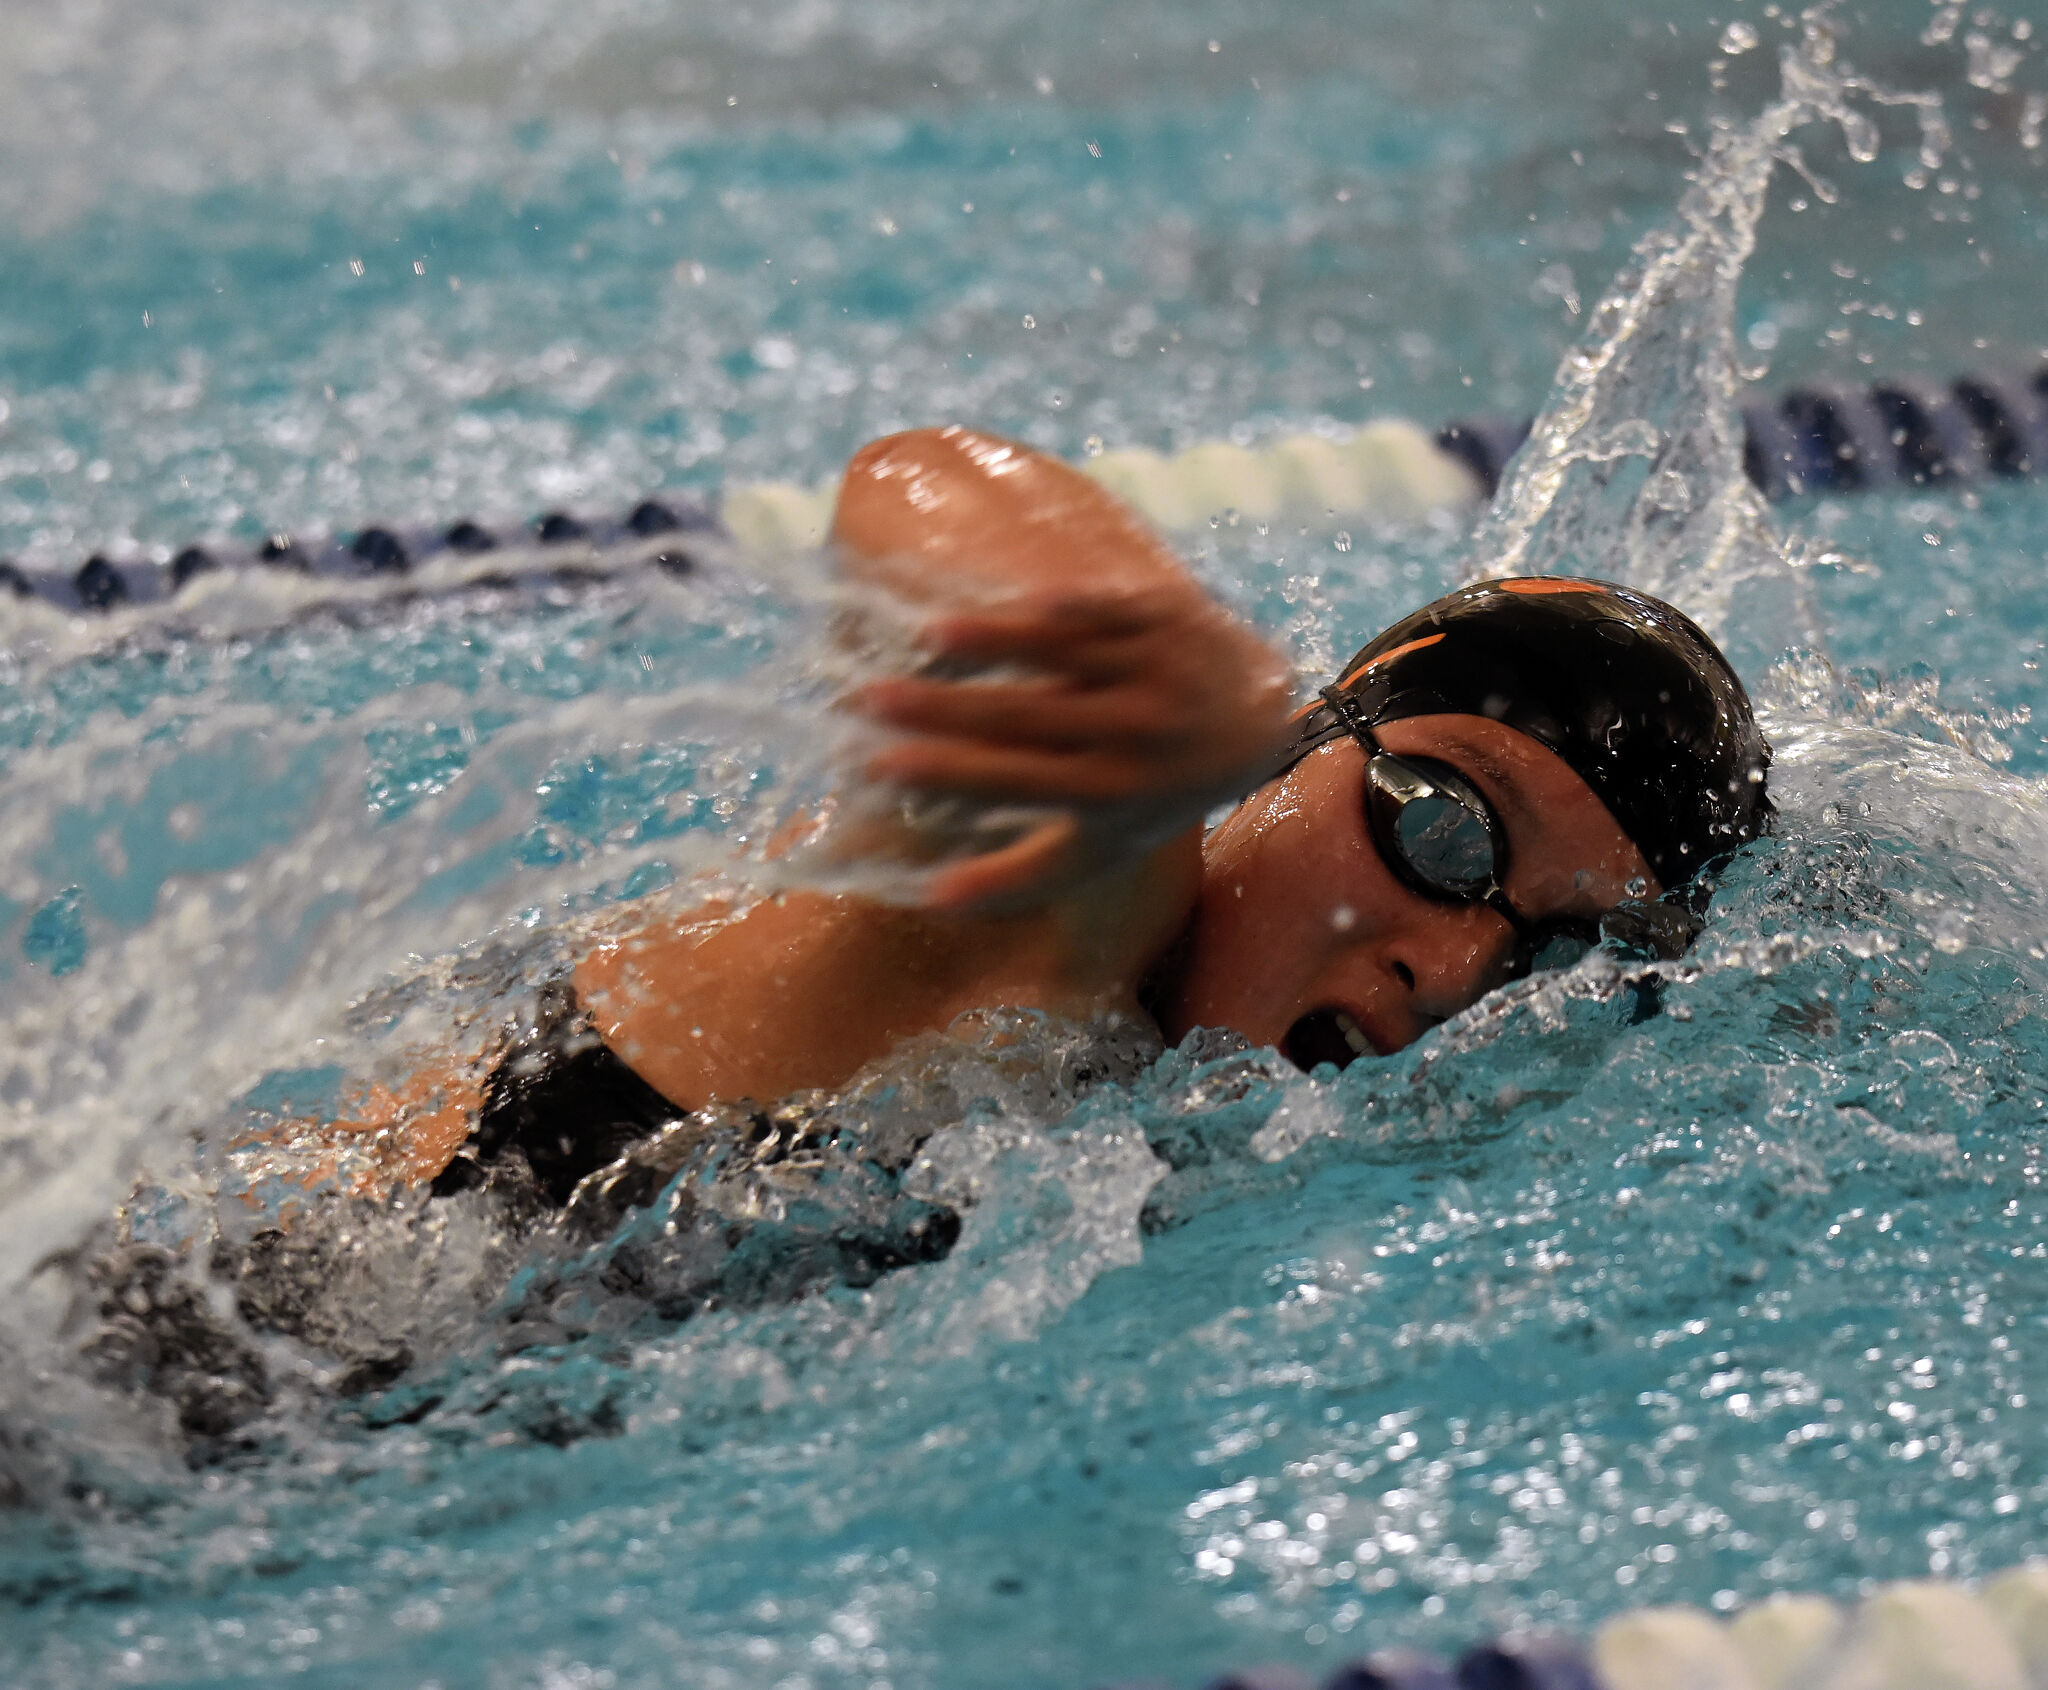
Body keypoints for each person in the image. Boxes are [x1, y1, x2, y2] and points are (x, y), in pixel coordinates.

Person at [316, 423, 1773, 1206]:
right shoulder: (1083, 897)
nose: (1452, 972)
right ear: (1306, 739)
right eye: (1446, 828)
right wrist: (1119, 633)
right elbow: (914, 481)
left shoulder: (1149, 1080)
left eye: (1555, 953)